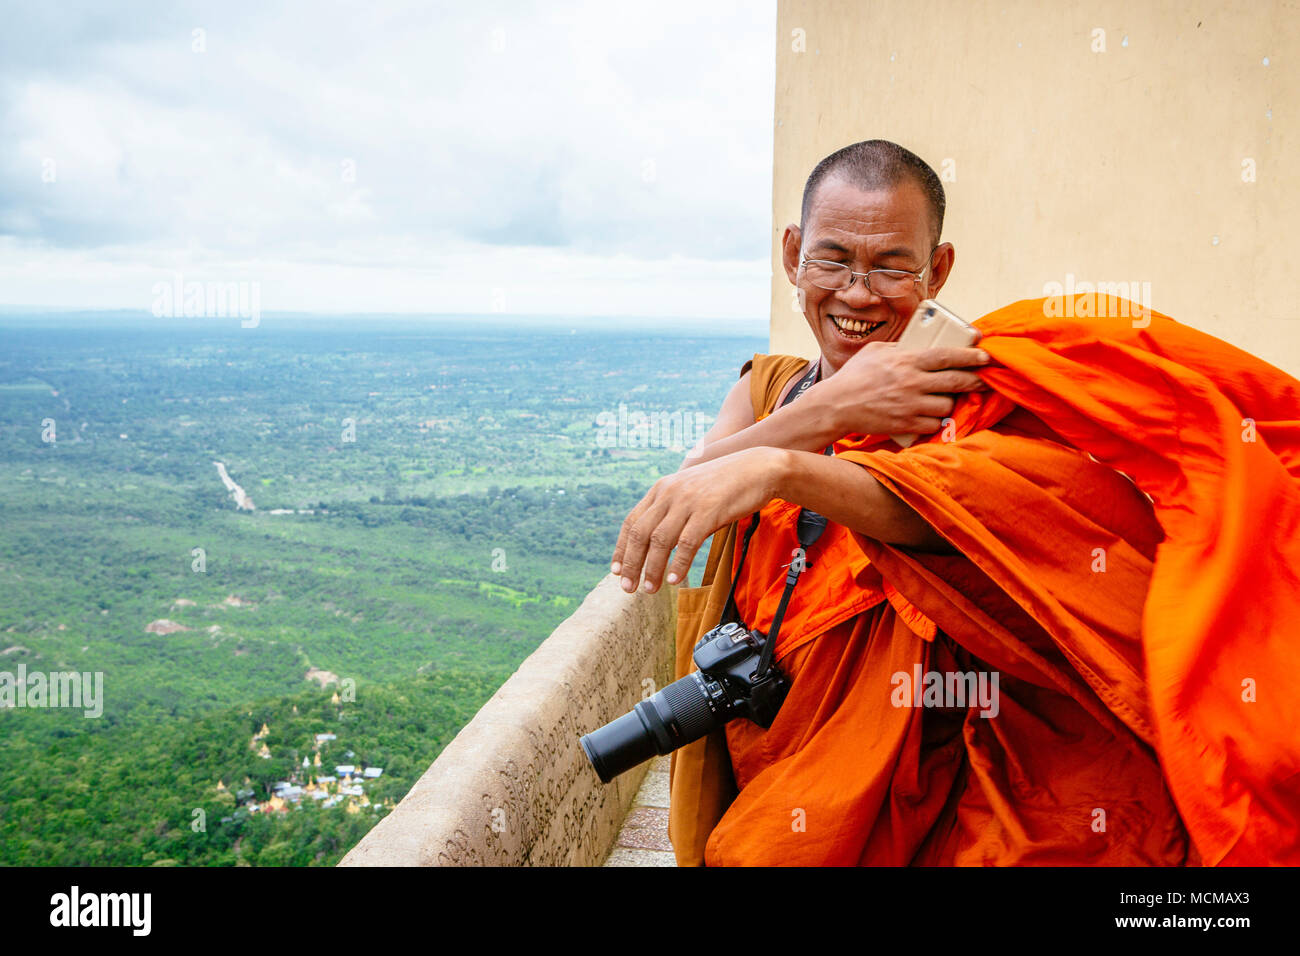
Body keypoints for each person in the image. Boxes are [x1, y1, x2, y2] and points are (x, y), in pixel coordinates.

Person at [609, 140, 1300, 866]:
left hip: (918, 782)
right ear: (792, 254)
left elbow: (940, 508)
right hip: (768, 749)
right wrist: (826, 411)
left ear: (937, 270)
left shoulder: (975, 390)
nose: (857, 292)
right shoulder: (768, 387)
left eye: (891, 266)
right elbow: (690, 485)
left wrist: (784, 468)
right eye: (833, 258)